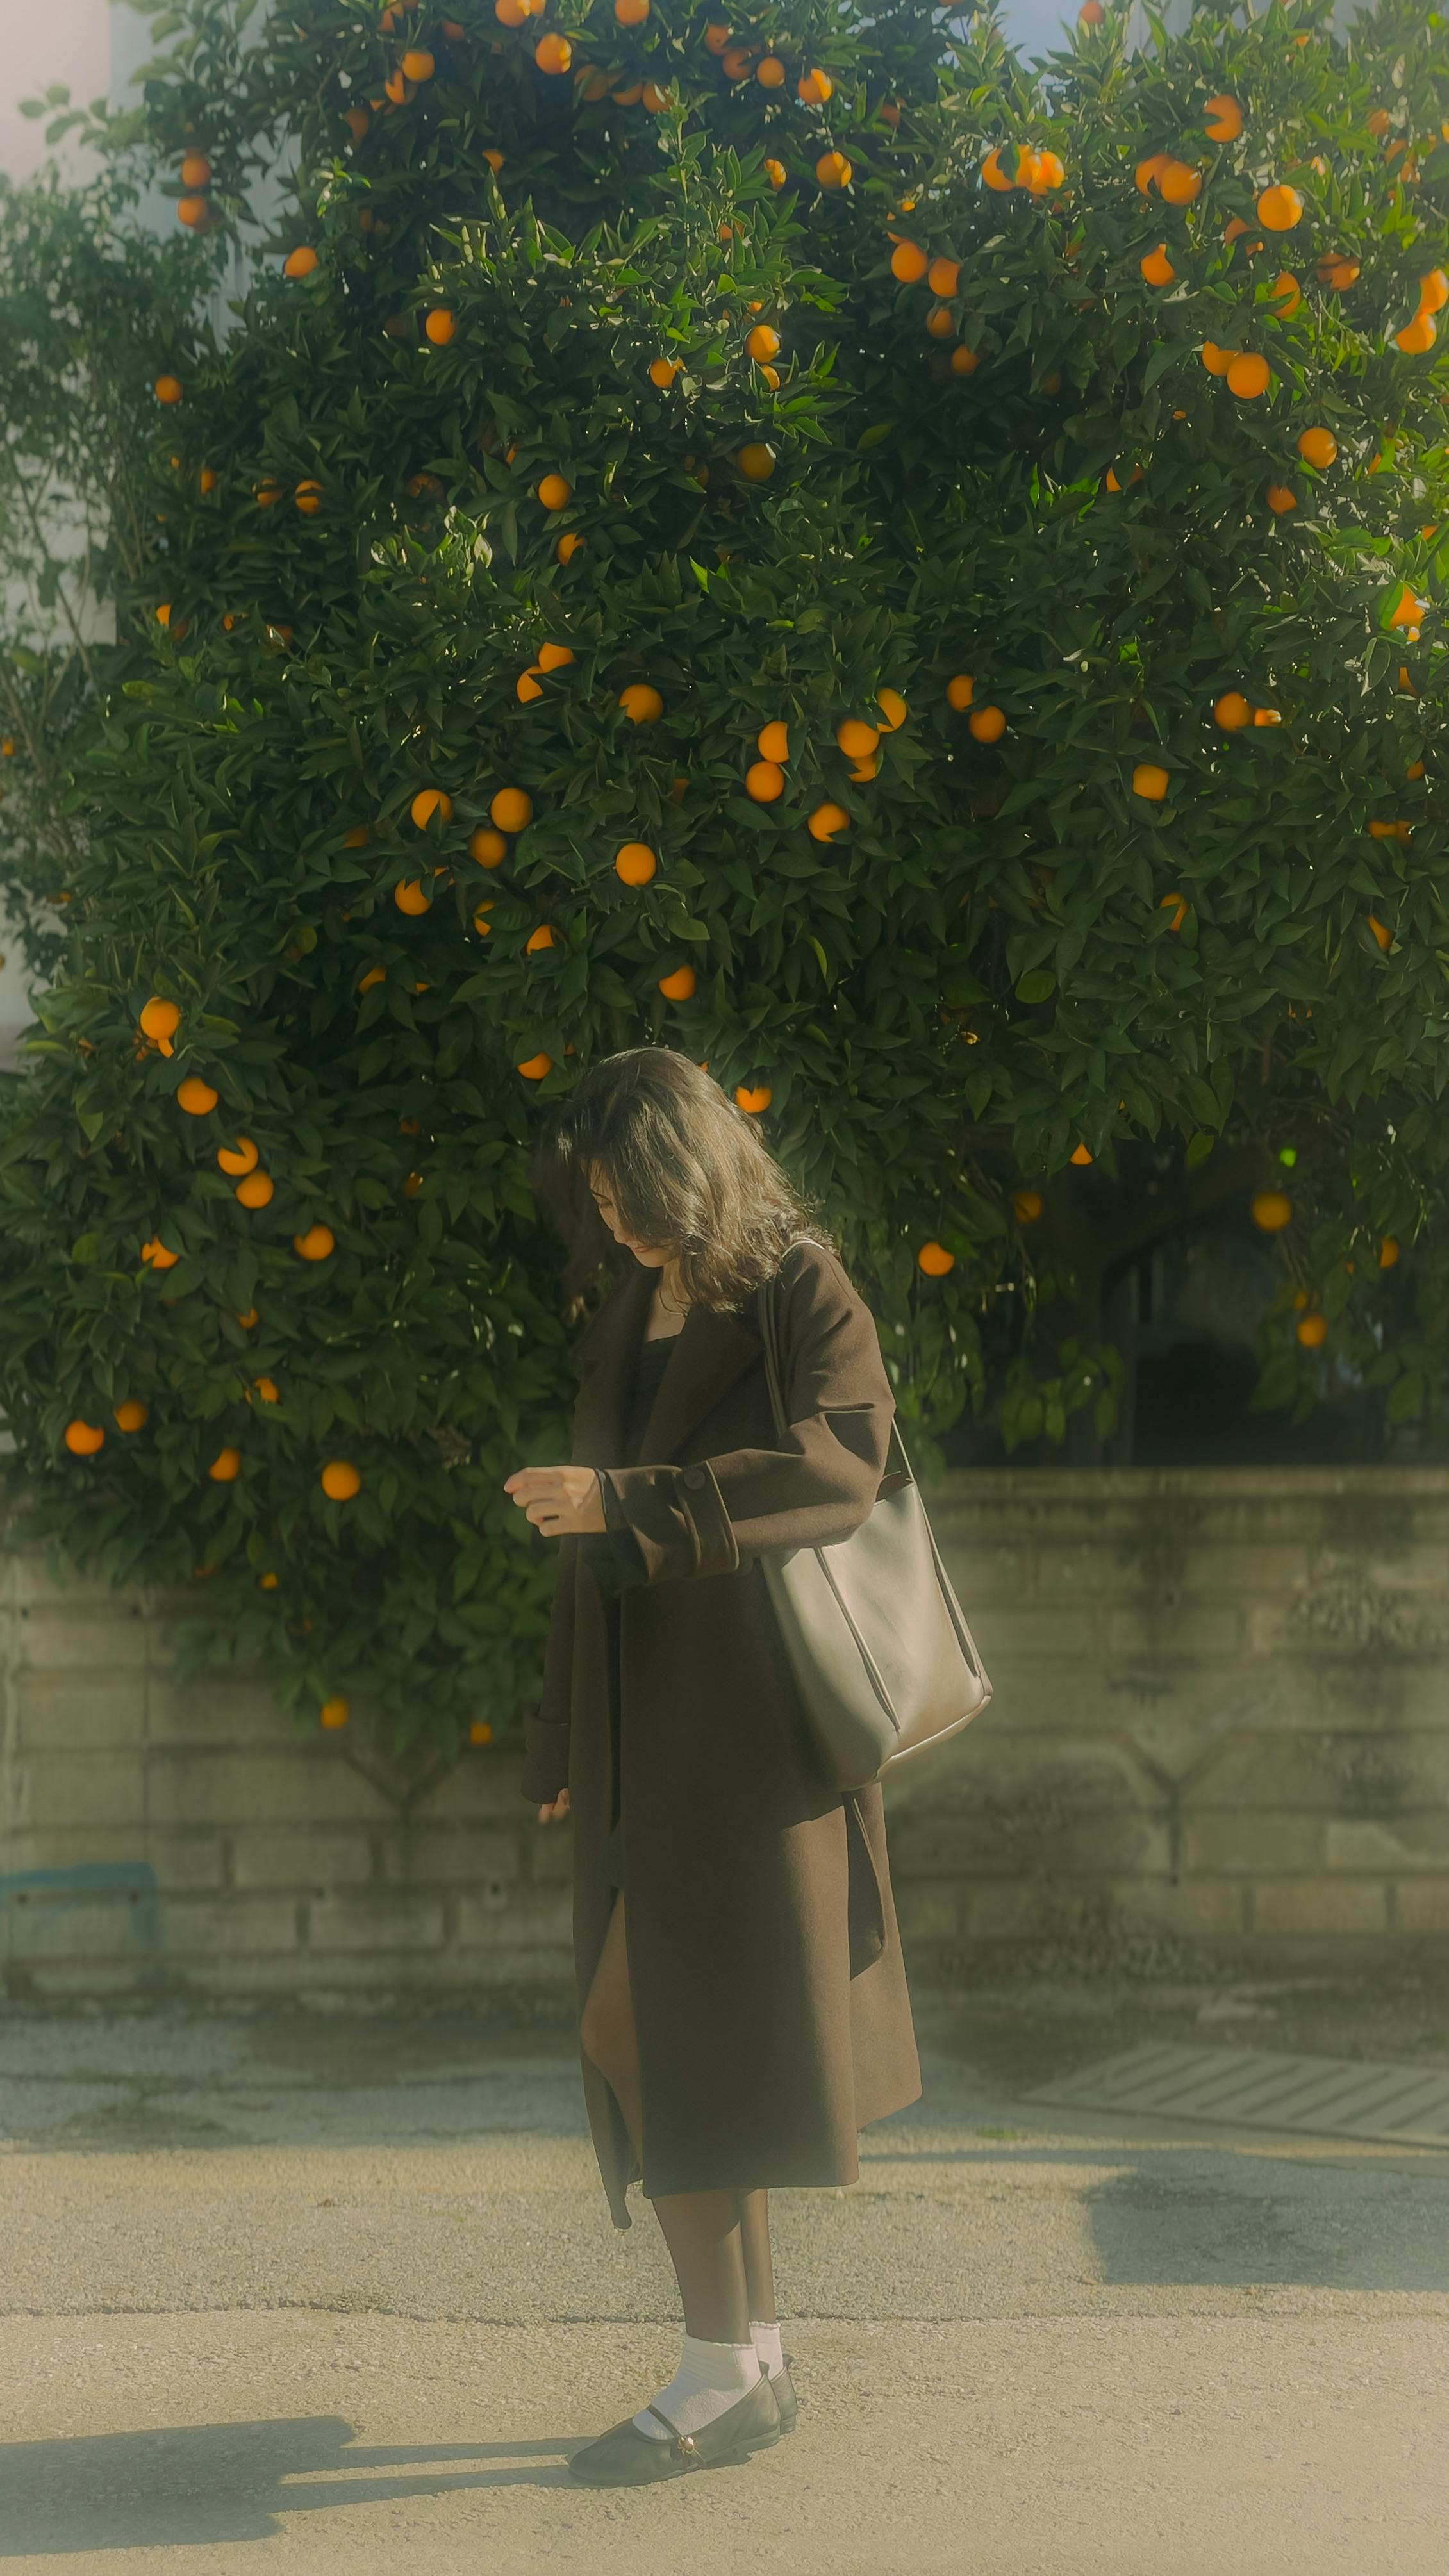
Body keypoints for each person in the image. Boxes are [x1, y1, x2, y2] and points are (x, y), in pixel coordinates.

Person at [504, 1046, 920, 2487]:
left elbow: (842, 1467)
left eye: (628, 1193)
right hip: (640, 1733)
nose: (612, 1222)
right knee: (661, 2034)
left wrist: (634, 1501)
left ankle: (718, 2365)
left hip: (755, 1741)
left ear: (688, 1165)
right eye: (600, 1199)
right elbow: (585, 1546)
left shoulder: (802, 1285)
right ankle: (744, 2358)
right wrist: (561, 1735)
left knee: (660, 2034)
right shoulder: (636, 1300)